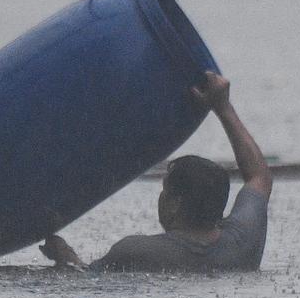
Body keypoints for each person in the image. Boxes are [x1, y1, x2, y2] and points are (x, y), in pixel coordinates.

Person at [39, 71, 272, 273]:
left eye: (164, 191)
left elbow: (84, 277)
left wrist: (64, 255)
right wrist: (223, 107)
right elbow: (259, 176)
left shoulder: (137, 252)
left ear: (175, 204)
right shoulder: (243, 244)